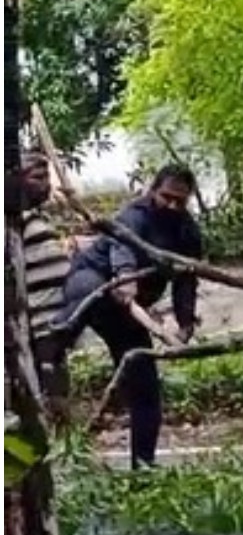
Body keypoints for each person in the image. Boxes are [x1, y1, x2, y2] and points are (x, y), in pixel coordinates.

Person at [57, 163, 204, 469]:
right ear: (153, 192)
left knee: (145, 385)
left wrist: (185, 322)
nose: (173, 205)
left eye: (181, 200)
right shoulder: (133, 215)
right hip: (96, 283)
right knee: (74, 314)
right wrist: (126, 277)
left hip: (127, 314)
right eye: (167, 197)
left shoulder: (188, 230)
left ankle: (144, 468)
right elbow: (121, 246)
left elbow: (186, 278)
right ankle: (49, 353)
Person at [15, 153, 73, 430]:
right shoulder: (13, 222)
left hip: (56, 319)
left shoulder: (37, 216)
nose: (46, 185)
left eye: (47, 177)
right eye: (37, 178)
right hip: (37, 322)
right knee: (51, 393)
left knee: (59, 385)